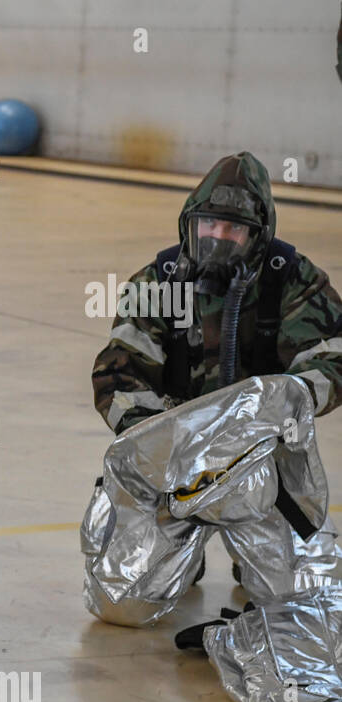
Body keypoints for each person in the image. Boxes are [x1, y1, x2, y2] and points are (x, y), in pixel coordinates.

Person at [84, 151, 342, 625]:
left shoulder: (290, 279)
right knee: (122, 605)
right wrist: (154, 443)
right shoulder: (161, 282)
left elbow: (334, 357)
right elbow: (117, 372)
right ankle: (183, 549)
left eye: (233, 230)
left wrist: (284, 403)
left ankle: (258, 558)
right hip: (174, 470)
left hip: (262, 468)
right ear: (189, 223)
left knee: (304, 607)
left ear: (257, 235)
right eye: (209, 226)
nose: (218, 239)